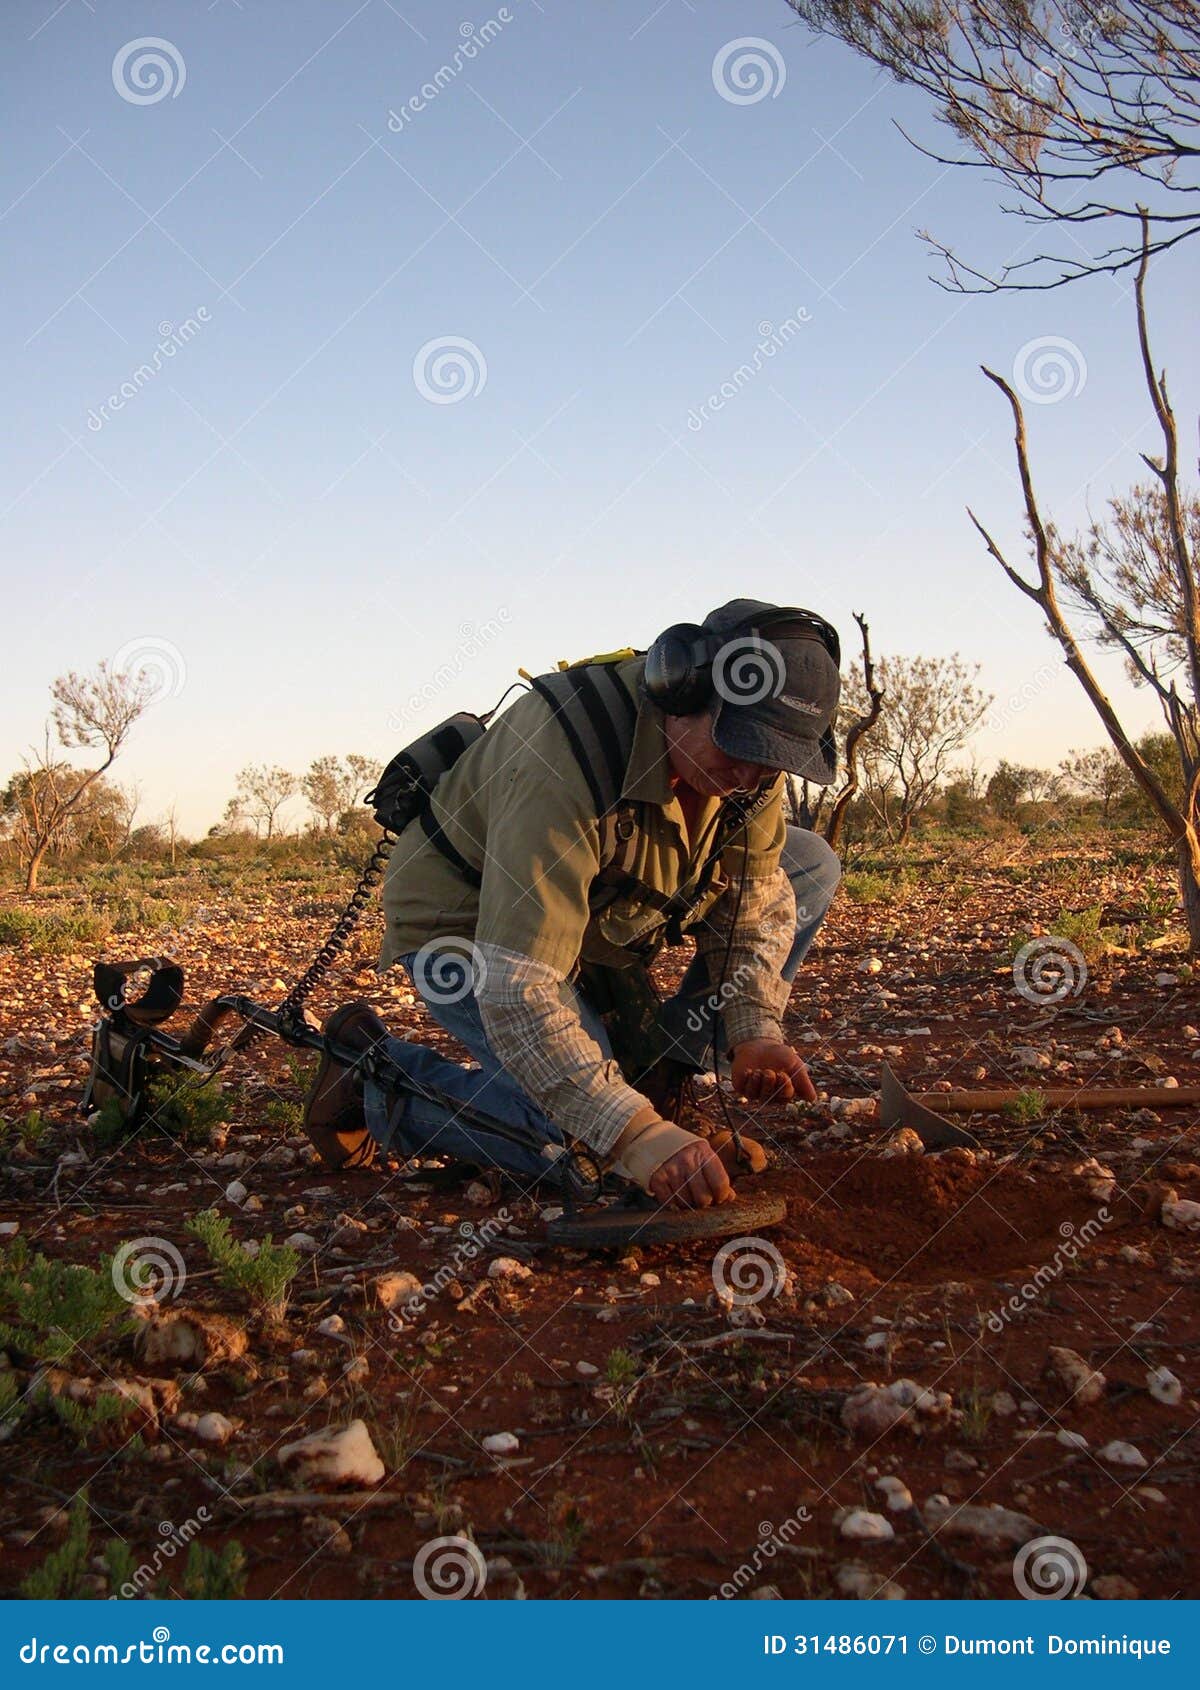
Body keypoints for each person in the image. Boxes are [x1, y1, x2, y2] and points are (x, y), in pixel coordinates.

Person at [302, 599, 842, 1210]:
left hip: (591, 912)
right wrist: (634, 1134)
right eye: (738, 746)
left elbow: (755, 902)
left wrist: (752, 1032)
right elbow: (518, 989)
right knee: (583, 1140)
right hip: (467, 923)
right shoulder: (561, 759)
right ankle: (369, 1082)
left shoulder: (751, 773)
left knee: (808, 863)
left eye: (772, 761)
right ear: (679, 684)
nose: (750, 774)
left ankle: (659, 1072)